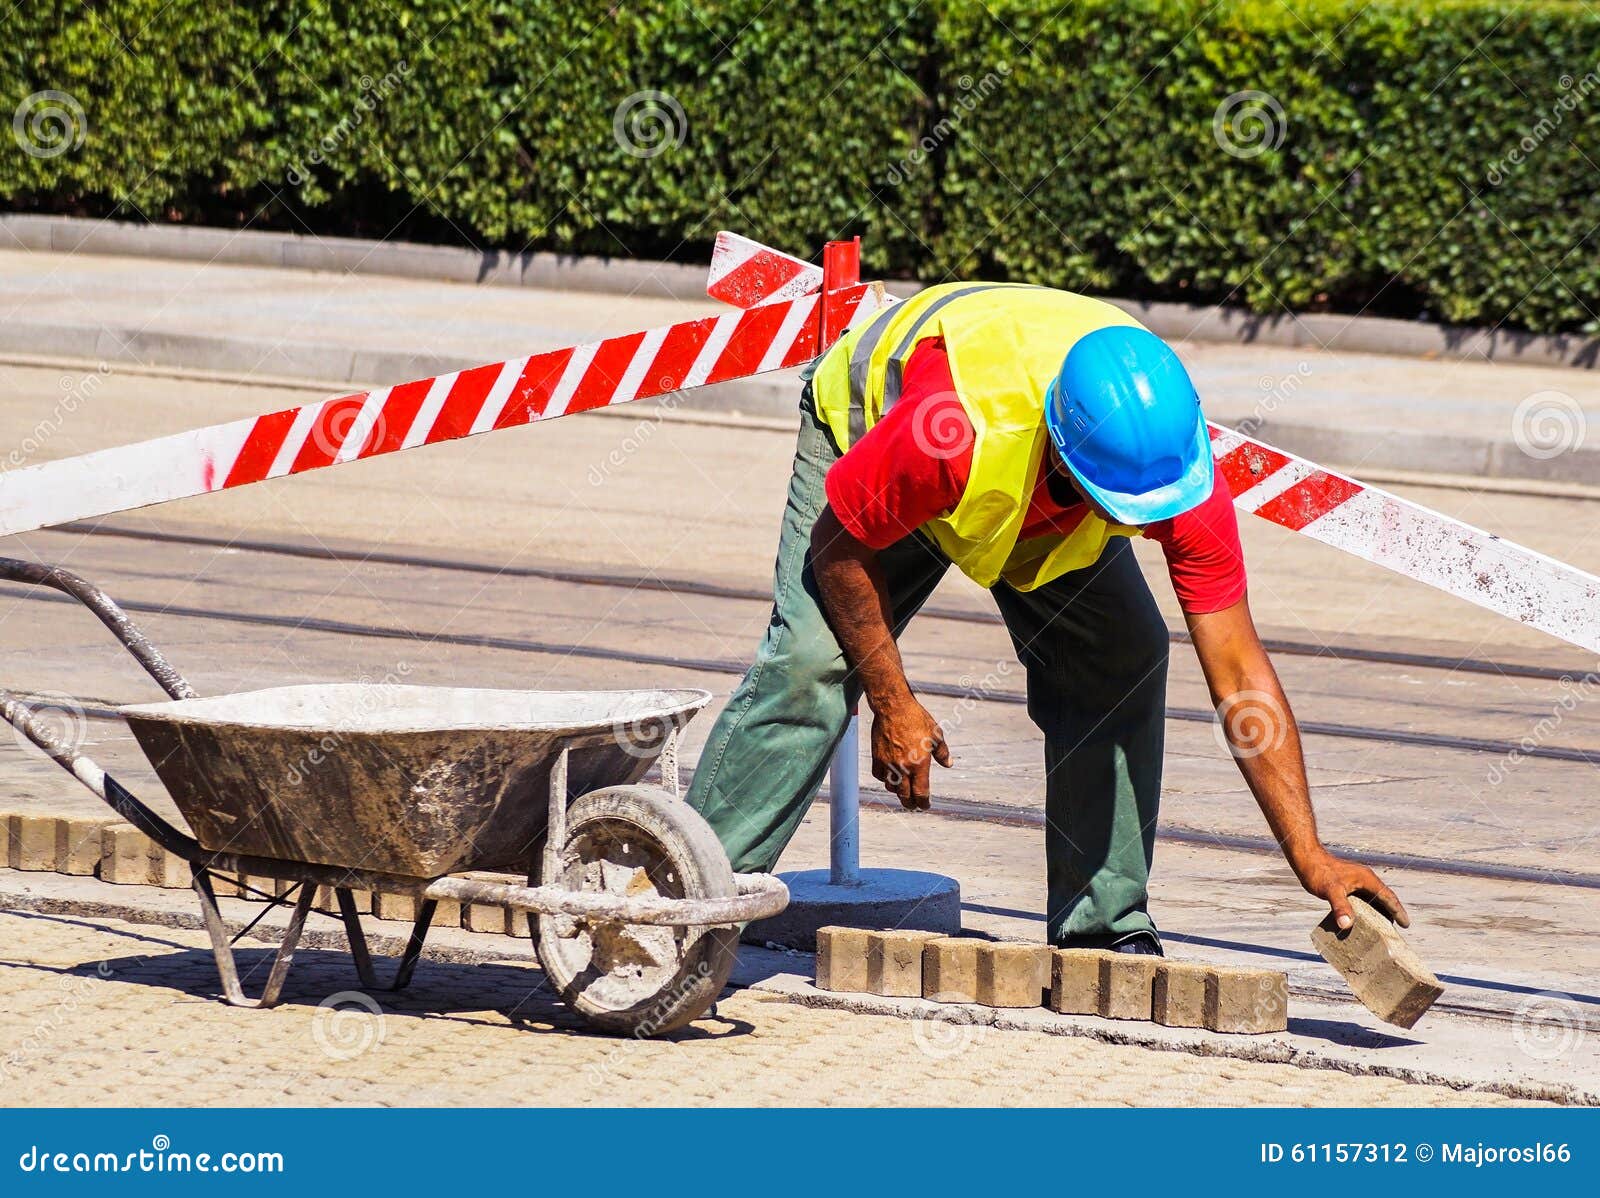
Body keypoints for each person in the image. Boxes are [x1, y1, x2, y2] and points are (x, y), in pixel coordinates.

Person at [685, 283, 1407, 954]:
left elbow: (1240, 669)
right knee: (812, 664)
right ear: (1066, 460)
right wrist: (893, 700)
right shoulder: (951, 435)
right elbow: (839, 552)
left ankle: (1103, 929)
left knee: (1122, 655)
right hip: (871, 431)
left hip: (1018, 487)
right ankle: (682, 898)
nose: (1148, 524)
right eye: (1126, 510)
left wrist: (1309, 855)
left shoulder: (1168, 466)